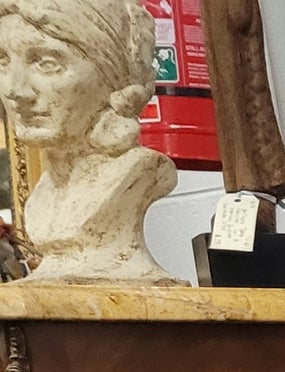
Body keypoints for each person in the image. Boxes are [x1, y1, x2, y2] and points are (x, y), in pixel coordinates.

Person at [0, 0, 175, 284]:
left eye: (47, 63)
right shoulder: (41, 198)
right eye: (3, 60)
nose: (15, 90)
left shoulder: (135, 173)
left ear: (113, 78)